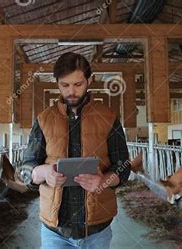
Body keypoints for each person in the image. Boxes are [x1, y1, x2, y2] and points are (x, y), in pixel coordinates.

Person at [21, 52, 131, 249]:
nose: (71, 91)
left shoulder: (108, 117)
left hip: (97, 229)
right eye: (65, 85)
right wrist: (43, 173)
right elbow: (26, 169)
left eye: (78, 84)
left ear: (89, 80)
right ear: (57, 83)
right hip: (55, 231)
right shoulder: (44, 119)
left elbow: (123, 167)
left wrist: (103, 180)